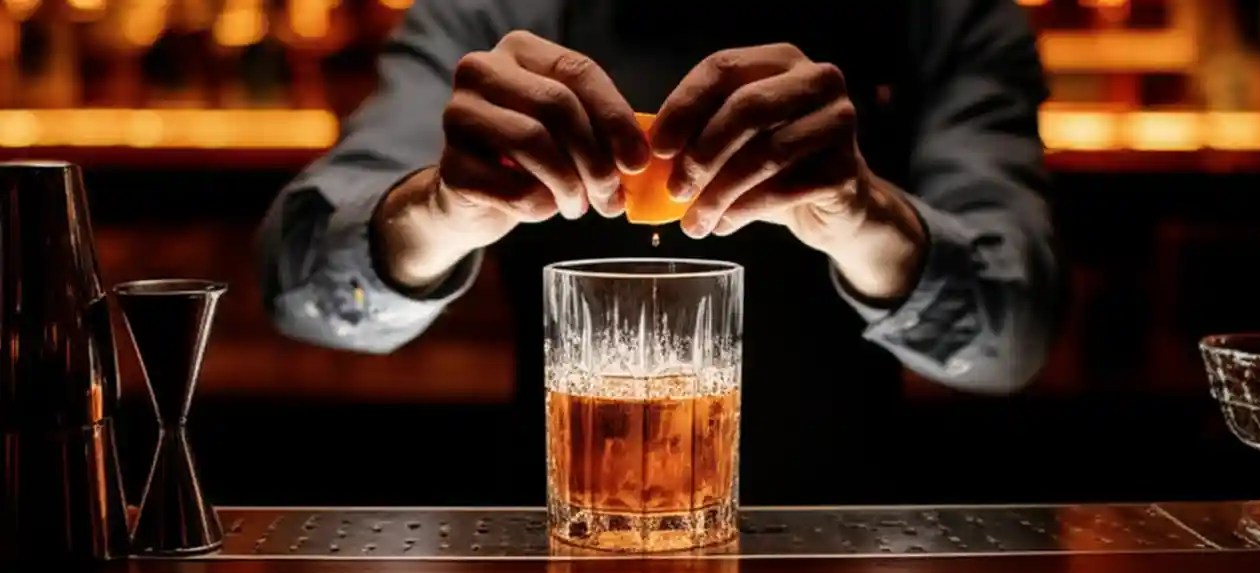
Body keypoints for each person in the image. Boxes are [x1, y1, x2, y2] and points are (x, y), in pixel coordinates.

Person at [257, 0, 1063, 503]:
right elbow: (299, 284)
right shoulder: (490, 8)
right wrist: (439, 208)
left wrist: (861, 213)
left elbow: (1011, 334)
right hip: (557, 549)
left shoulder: (947, 14)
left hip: (851, 544)